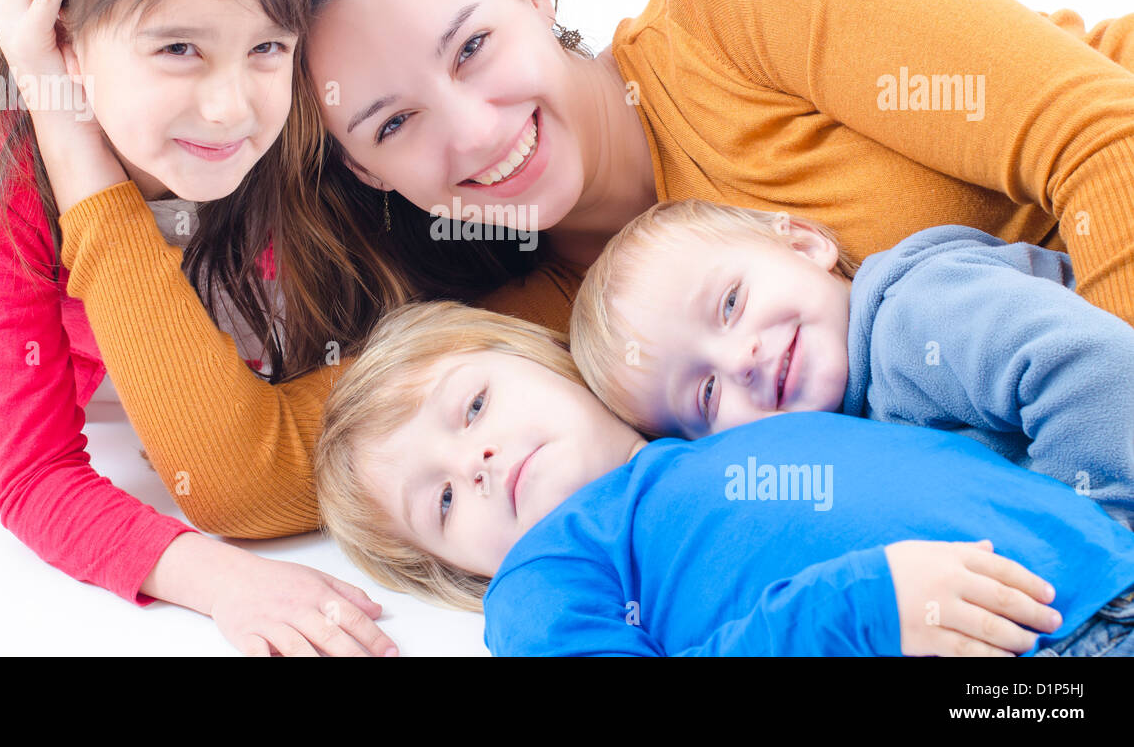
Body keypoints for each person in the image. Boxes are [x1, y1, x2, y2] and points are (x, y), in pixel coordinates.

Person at [0, 0, 1134, 555]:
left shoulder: (735, 5)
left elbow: (1101, 140)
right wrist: (66, 124)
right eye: (392, 125)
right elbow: (231, 478)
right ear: (369, 176)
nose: (476, 135)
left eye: (473, 48)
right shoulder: (539, 330)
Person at [0, 0, 397, 657]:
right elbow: (35, 478)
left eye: (265, 47)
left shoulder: (291, 132)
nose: (230, 106)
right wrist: (225, 581)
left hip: (234, 356)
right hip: (88, 383)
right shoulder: (4, 184)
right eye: (178, 47)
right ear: (61, 42)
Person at [313, 302, 1134, 657]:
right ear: (460, 569)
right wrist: (862, 607)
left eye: (475, 406)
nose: (477, 461)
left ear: (546, 360)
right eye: (445, 501)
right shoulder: (544, 575)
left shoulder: (727, 414)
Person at [566, 199, 1134, 529]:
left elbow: (1095, 374)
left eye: (731, 304)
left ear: (804, 246)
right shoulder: (857, 438)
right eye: (707, 393)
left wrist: (1087, 546)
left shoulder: (914, 315)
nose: (741, 360)